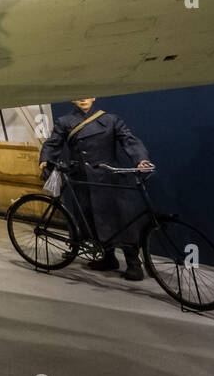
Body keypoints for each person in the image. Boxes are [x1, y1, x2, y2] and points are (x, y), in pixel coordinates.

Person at [39, 98, 155, 281]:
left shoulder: (111, 120)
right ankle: (107, 257)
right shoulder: (65, 122)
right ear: (72, 98)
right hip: (82, 180)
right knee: (91, 219)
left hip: (109, 178)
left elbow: (128, 139)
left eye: (87, 95)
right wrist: (45, 159)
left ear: (94, 97)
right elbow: (53, 143)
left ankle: (134, 263)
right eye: (78, 95)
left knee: (122, 220)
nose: (83, 98)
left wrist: (141, 159)